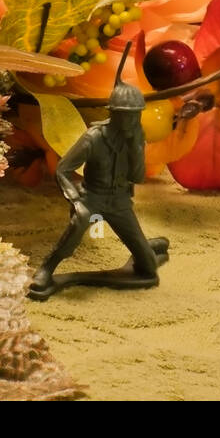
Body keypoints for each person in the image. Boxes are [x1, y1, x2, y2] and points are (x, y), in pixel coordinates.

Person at [29, 79, 169, 299]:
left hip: (119, 202)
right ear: (114, 114)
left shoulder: (135, 137)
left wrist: (136, 148)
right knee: (80, 221)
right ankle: (47, 269)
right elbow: (63, 170)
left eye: (136, 114)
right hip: (92, 197)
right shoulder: (93, 139)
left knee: (148, 269)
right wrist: (75, 200)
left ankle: (146, 246)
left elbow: (137, 177)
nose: (133, 120)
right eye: (127, 114)